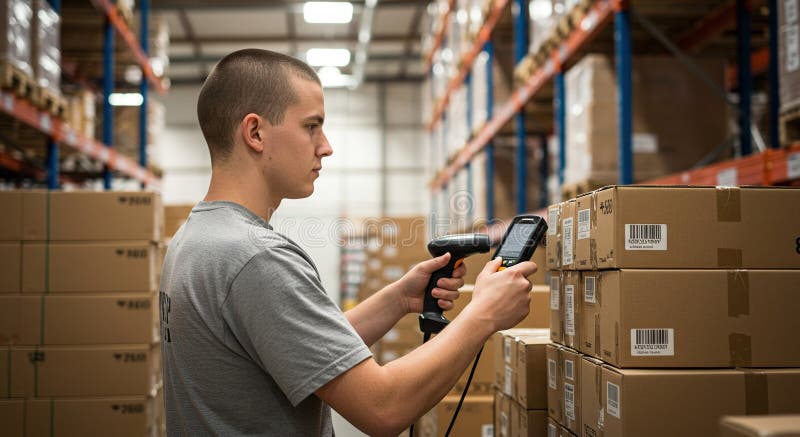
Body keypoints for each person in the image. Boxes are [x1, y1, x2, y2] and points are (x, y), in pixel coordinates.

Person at [159, 48, 537, 436]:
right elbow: (383, 407)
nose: (326, 145)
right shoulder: (256, 258)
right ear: (255, 133)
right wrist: (484, 314)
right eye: (311, 126)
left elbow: (301, 350)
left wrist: (399, 299)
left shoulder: (195, 237)